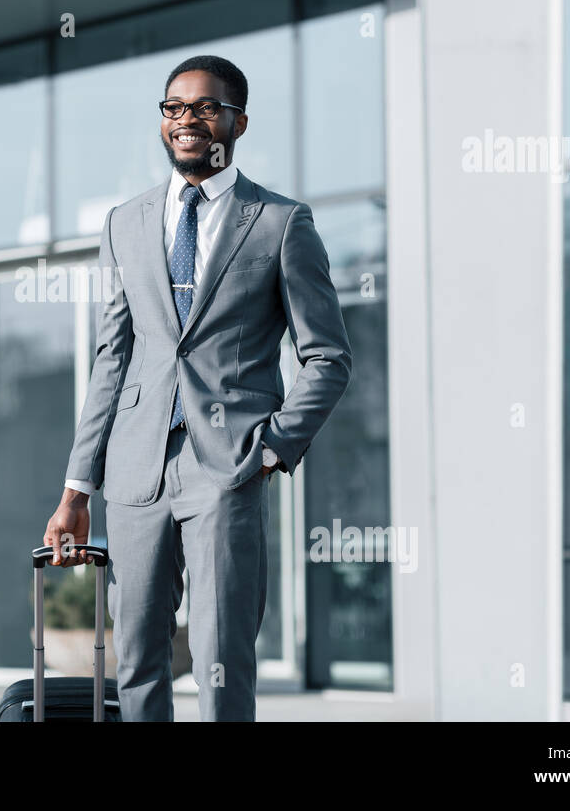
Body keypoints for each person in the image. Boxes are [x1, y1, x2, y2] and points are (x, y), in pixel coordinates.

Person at [42, 54, 352, 721]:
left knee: (220, 658)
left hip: (227, 466)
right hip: (134, 469)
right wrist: (76, 490)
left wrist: (271, 448)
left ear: (237, 121)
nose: (188, 119)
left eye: (206, 107)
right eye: (174, 108)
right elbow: (111, 360)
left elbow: (327, 356)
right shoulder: (125, 222)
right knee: (137, 661)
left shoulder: (279, 222)